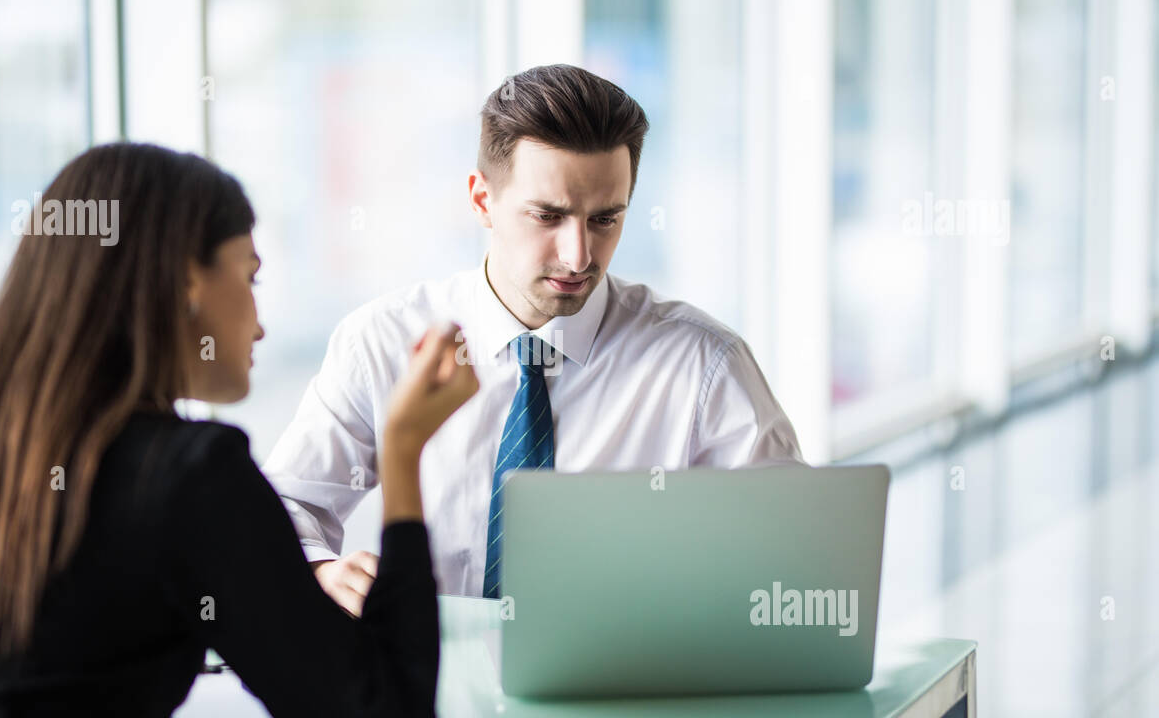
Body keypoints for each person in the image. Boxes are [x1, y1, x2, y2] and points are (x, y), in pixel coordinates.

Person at [0, 142, 477, 718]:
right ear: (188, 281)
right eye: (249, 276)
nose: (260, 324)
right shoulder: (190, 474)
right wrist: (402, 452)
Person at [263, 64, 805, 609]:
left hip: (628, 682)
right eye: (548, 216)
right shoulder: (380, 343)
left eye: (605, 219)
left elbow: (793, 550)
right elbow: (285, 502)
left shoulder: (703, 364)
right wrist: (321, 571)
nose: (578, 256)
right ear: (482, 201)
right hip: (434, 680)